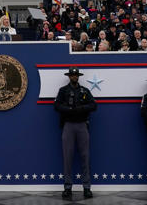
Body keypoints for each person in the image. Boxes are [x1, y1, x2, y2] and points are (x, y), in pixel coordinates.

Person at [54, 67, 96, 200]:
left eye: (76, 75)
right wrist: (69, 109)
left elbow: (94, 105)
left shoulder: (85, 91)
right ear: (69, 76)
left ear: (78, 76)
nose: (74, 77)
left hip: (82, 125)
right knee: (67, 157)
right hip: (68, 125)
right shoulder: (63, 90)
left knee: (85, 156)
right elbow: (56, 106)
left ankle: (87, 188)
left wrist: (81, 108)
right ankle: (67, 187)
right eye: (72, 75)